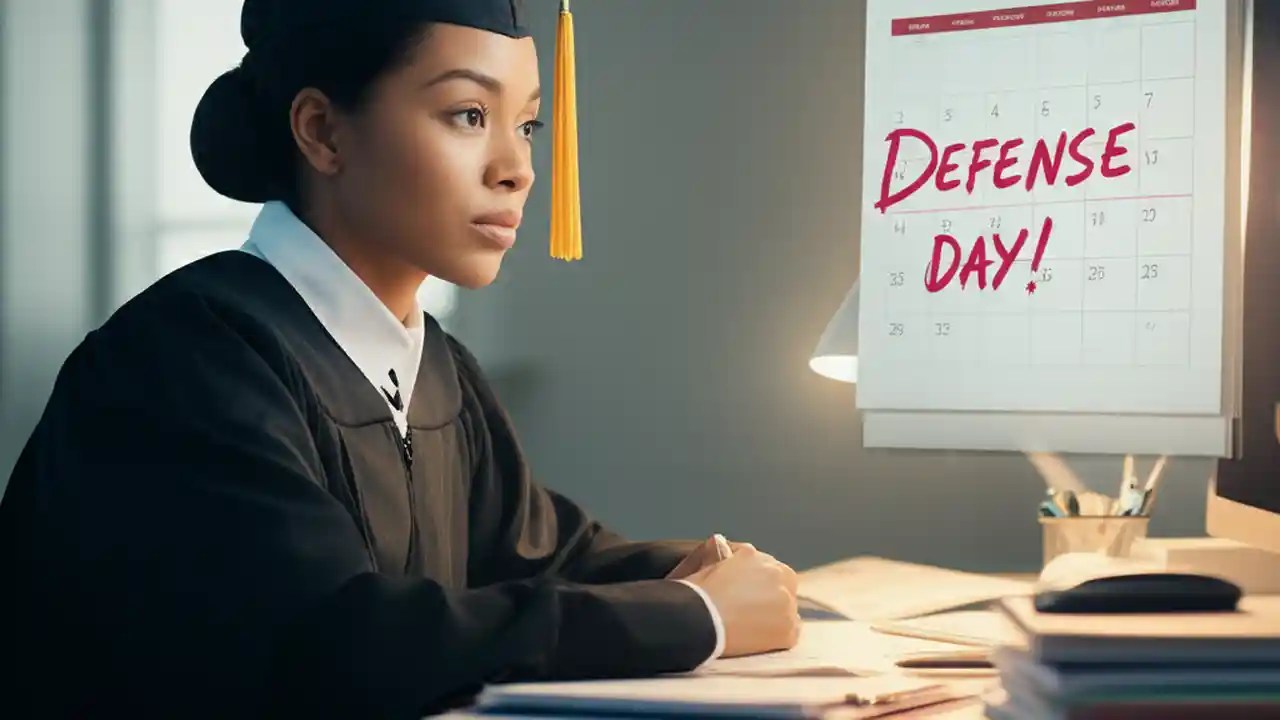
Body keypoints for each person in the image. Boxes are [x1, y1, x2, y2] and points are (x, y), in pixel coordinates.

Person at [0, 0, 800, 717]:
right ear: (322, 131)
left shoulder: (435, 366)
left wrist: (706, 569)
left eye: (526, 124)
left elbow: (539, 555)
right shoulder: (183, 360)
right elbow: (338, 641)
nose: (518, 169)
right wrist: (697, 616)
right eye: (467, 114)